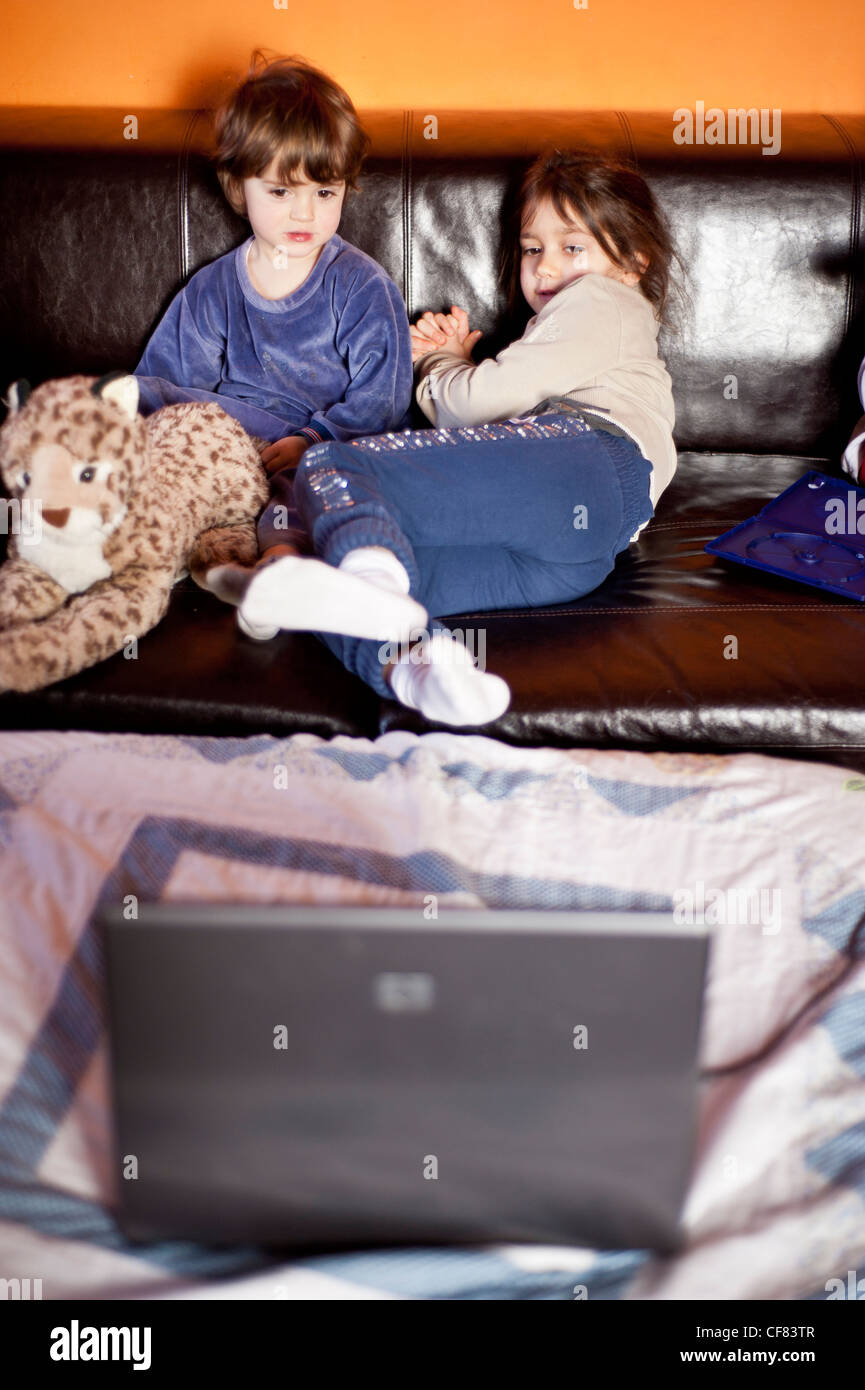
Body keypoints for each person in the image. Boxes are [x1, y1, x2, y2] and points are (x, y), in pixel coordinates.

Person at [241, 147, 680, 726]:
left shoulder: (607, 299)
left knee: (328, 464)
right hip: (584, 550)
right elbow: (507, 417)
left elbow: (473, 405)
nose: (546, 268)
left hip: (587, 460)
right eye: (532, 249)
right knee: (329, 582)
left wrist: (437, 367)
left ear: (633, 263)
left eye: (572, 247)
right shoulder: (594, 336)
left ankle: (369, 570)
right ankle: (422, 673)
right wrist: (465, 359)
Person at [133, 51, 425, 644]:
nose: (305, 213)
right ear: (239, 187)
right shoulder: (215, 287)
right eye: (282, 191)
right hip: (231, 435)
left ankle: (274, 572)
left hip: (317, 443)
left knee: (308, 491)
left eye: (325, 192)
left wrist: (312, 438)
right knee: (167, 440)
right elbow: (165, 377)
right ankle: (152, 543)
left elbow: (383, 397)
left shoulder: (360, 284)